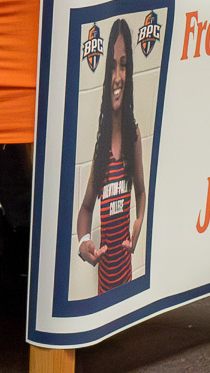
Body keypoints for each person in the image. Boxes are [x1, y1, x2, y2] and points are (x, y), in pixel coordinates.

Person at [74, 19, 144, 297]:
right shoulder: (101, 146)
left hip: (126, 278)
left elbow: (141, 191)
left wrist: (140, 220)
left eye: (124, 65)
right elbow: (85, 209)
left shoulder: (134, 136)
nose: (118, 75)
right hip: (104, 284)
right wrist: (84, 242)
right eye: (112, 66)